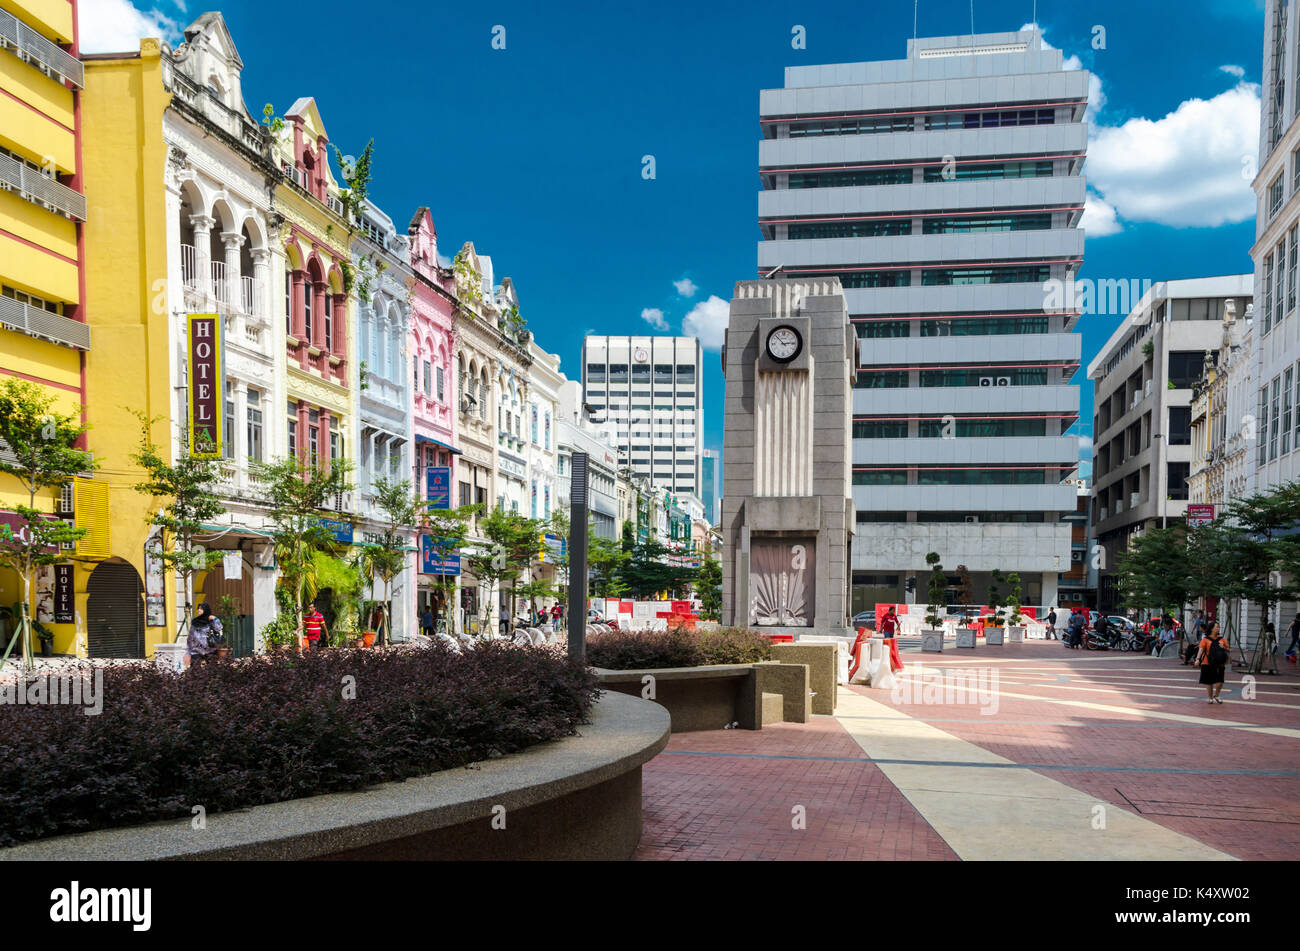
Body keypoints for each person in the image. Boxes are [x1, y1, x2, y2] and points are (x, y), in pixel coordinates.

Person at [1195, 620, 1229, 704]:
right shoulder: (1205, 640)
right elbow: (1201, 650)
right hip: (1207, 663)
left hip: (1220, 663)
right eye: (1216, 627)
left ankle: (1217, 695)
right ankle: (1210, 697)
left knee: (1220, 682)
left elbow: (1228, 650)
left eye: (1218, 627)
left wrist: (1223, 647)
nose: (1218, 628)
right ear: (1211, 629)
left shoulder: (1222, 639)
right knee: (1209, 681)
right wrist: (1197, 659)